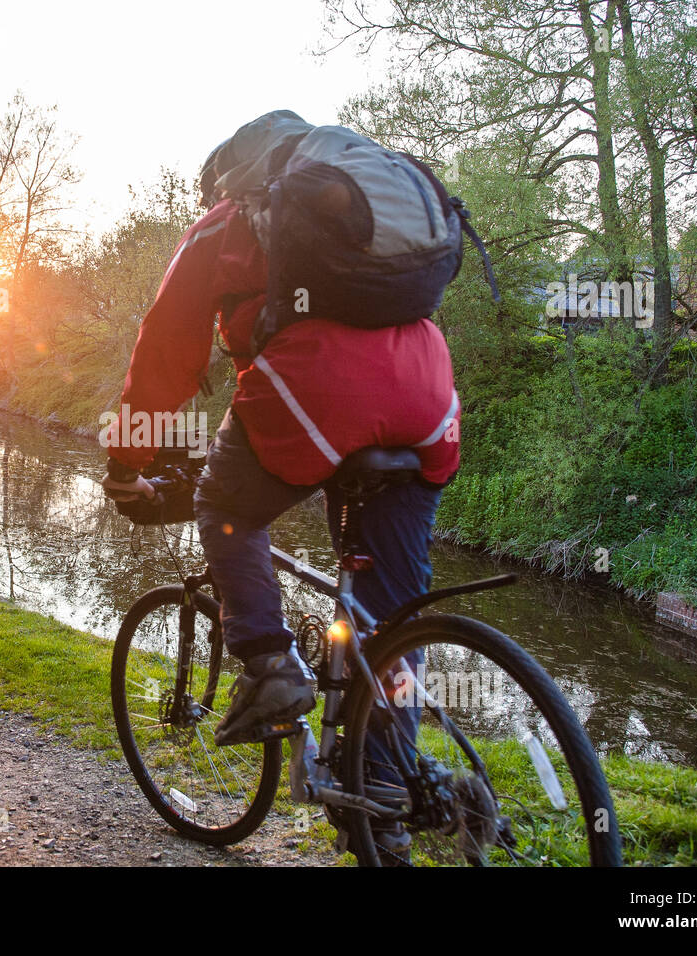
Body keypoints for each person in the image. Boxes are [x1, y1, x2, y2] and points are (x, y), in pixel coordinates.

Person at [102, 112, 461, 791]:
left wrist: (129, 462)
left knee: (224, 502)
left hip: (317, 390)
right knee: (385, 617)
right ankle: (383, 789)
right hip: (429, 397)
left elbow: (166, 352)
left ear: (228, 181)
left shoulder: (229, 220)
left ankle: (271, 665)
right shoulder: (363, 211)